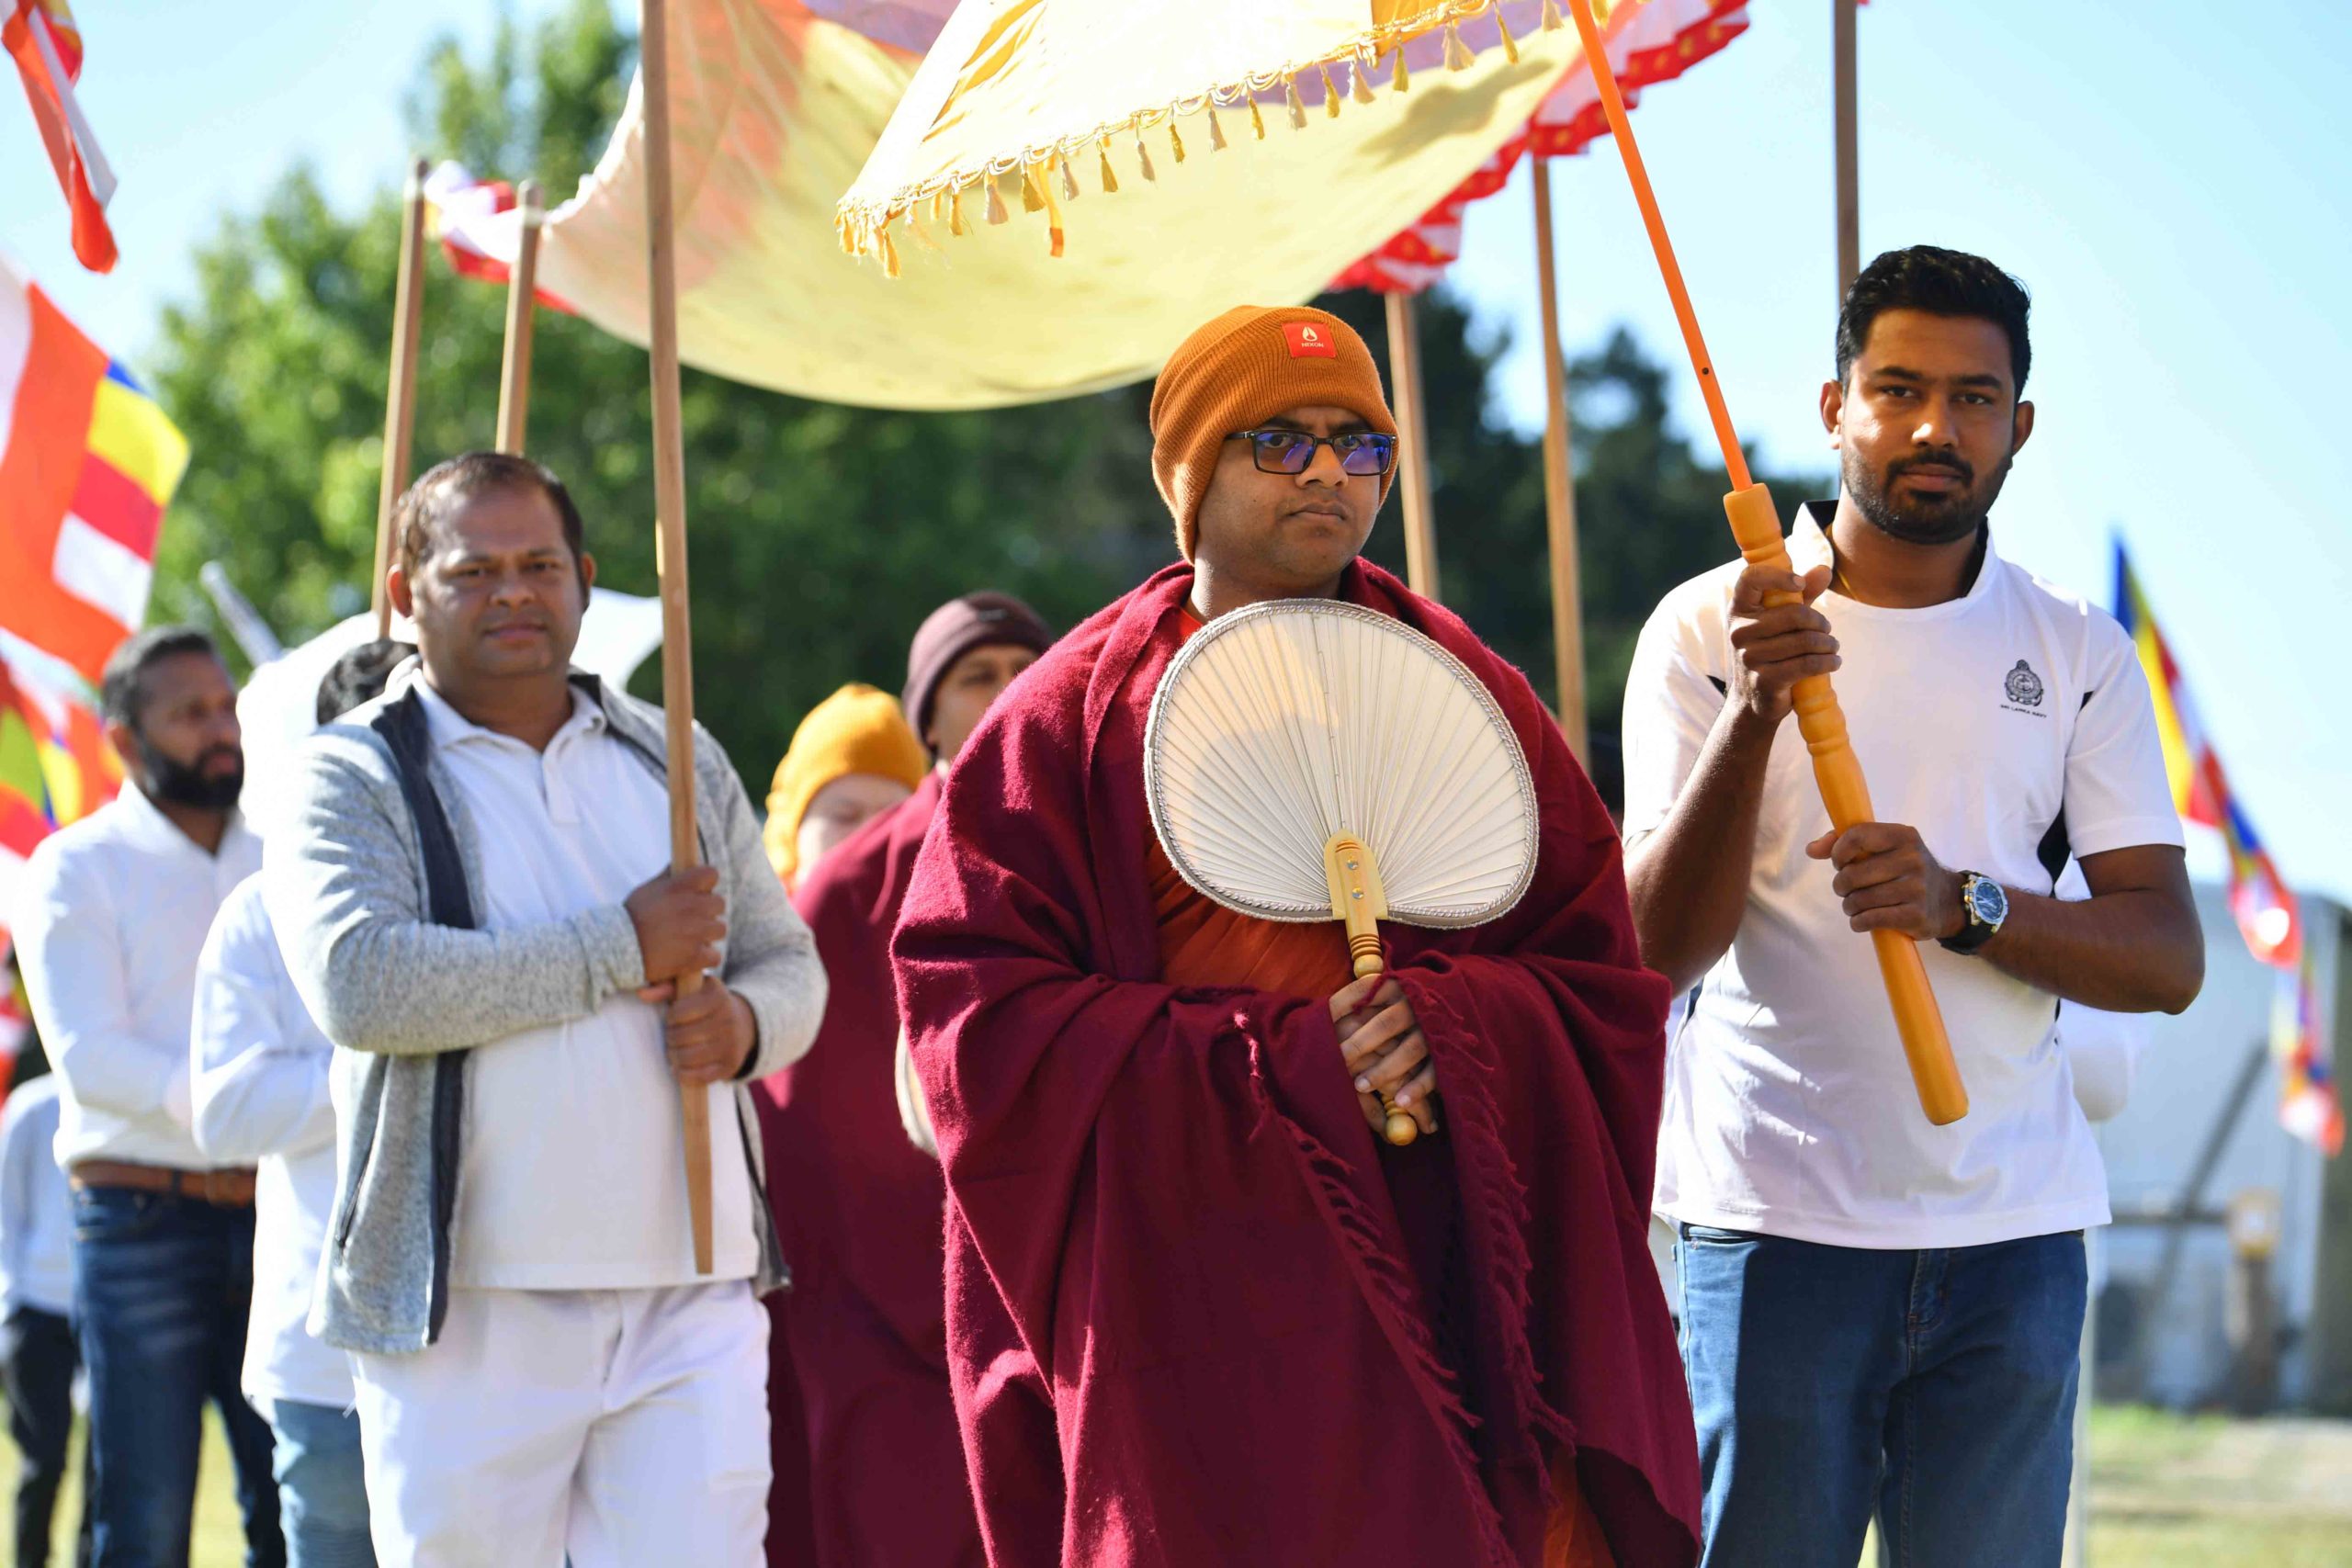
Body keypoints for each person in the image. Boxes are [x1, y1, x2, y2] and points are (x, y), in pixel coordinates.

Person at [891, 306, 1701, 1566]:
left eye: (1359, 444)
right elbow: (975, 1018)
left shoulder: (1469, 687)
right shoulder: (1065, 720)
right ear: (1188, 473)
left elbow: (1596, 972)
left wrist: (1459, 1029)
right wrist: (1285, 1057)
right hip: (1198, 1291)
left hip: (1447, 1246)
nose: (1328, 469)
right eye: (1279, 439)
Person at [1622, 245, 2204, 1568]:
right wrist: (1763, 711)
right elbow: (1654, 949)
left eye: (1975, 397)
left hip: (2015, 1238)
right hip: (1772, 1227)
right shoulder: (1709, 630)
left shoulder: (2075, 649)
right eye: (1898, 388)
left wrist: (1968, 903)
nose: (1937, 426)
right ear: (1835, 407)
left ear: (2021, 425)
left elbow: (2165, 955)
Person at [262, 453, 826, 1567]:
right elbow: (363, 984)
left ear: (585, 578)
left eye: (539, 564)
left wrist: (749, 1026)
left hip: (689, 1286)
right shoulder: (347, 772)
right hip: (464, 1303)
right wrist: (620, 947)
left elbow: (789, 964)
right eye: (474, 571)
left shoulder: (675, 754)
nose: (514, 592)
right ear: (402, 591)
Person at [756, 591, 1053, 1568]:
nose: (1010, 693)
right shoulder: (849, 889)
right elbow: (810, 1131)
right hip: (891, 1323)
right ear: (924, 714)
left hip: (1073, 1302)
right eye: (978, 676)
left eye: (1027, 669)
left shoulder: (1112, 852)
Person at [14, 626, 284, 1568]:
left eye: (226, 707)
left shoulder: (286, 856)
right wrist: (260, 1099)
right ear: (123, 741)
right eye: (190, 714)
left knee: (291, 1508)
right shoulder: (74, 867)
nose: (221, 731)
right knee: (145, 1522)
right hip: (140, 1222)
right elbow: (93, 1063)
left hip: (283, 1216)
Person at [191, 638, 410, 1568]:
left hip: (505, 1343)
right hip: (326, 1356)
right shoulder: (260, 906)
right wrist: (394, 1049)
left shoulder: (519, 890)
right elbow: (227, 1112)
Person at [0, 1071, 90, 1568]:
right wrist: (11, 1302)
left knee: (108, 1463)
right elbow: (5, 1210)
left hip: (105, 1310)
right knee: (44, 1460)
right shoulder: (31, 1106)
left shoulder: (115, 1098)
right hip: (36, 1312)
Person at [761, 683, 929, 891]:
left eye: (891, 822)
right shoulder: (729, 919)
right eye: (845, 816)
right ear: (793, 833)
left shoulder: (960, 920)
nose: (870, 839)